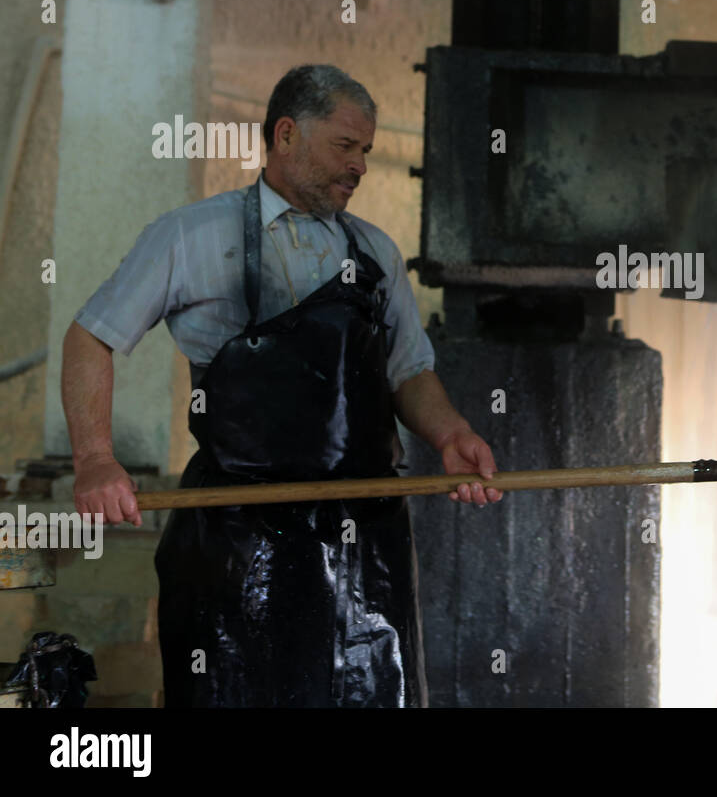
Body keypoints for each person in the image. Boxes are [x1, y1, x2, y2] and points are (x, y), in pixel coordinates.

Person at [60, 64, 500, 707]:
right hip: (239, 539)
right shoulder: (190, 236)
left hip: (361, 541)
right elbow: (91, 337)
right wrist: (95, 458)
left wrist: (451, 432)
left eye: (367, 152)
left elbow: (410, 371)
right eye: (345, 147)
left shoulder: (376, 253)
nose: (360, 167)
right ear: (286, 134)